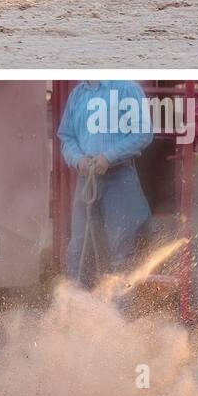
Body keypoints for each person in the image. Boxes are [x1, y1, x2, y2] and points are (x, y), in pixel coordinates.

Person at [56, 79, 152, 287]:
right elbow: (67, 138)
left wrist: (109, 157)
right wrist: (78, 159)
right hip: (87, 178)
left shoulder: (127, 88)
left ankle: (120, 314)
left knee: (122, 248)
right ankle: (78, 309)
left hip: (119, 176)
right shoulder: (77, 95)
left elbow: (143, 133)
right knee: (79, 248)